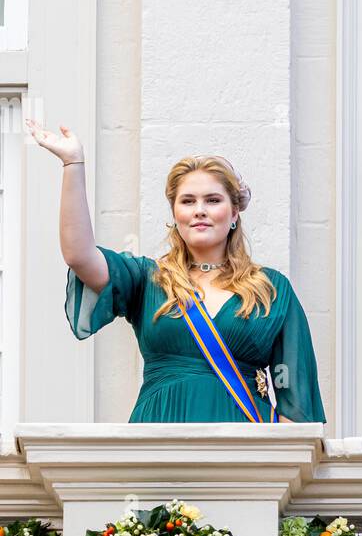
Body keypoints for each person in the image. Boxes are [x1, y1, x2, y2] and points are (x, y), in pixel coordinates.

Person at [28, 118, 325, 425]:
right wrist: (73, 164)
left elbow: (298, 408)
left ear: (234, 212)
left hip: (244, 444)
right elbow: (79, 255)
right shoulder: (147, 279)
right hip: (159, 435)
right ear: (175, 213)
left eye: (212, 200)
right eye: (188, 201)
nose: (199, 210)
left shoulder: (270, 288)